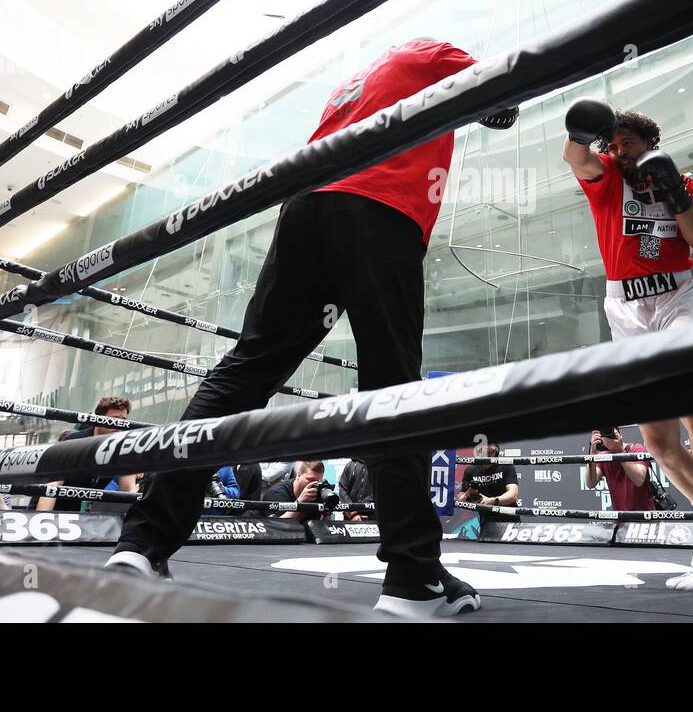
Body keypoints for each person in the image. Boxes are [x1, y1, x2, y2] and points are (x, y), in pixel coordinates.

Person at [106, 39, 516, 617]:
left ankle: (142, 543)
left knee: (246, 371)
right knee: (392, 386)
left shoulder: (355, 81)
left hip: (306, 206)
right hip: (378, 208)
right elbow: (499, 99)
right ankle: (411, 578)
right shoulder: (434, 52)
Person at [563, 100, 693, 592]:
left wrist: (677, 198)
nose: (616, 151)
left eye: (626, 143)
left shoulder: (681, 181)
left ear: (650, 144)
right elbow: (575, 157)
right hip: (624, 309)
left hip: (678, 300)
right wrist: (583, 135)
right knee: (658, 443)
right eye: (611, 143)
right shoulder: (606, 174)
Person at [37, 397, 137, 512]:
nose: (118, 425)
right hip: (54, 510)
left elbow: (128, 490)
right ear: (98, 419)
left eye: (123, 420)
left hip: (85, 516)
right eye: (114, 419)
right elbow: (53, 486)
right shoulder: (75, 442)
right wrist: (43, 518)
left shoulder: (122, 447)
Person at [584, 426, 656, 512]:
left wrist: (620, 451)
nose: (609, 436)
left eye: (612, 433)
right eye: (605, 435)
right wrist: (592, 454)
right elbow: (590, 483)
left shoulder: (637, 449)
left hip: (645, 518)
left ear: (620, 434)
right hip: (620, 519)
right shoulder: (603, 457)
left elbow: (639, 480)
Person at [262, 460, 329, 521]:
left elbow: (321, 528)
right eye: (310, 480)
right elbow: (275, 526)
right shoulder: (277, 493)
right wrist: (300, 502)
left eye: (318, 481)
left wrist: (327, 512)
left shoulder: (317, 492)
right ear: (299, 475)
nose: (314, 484)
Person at [459, 441, 519, 507]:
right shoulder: (471, 470)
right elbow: (461, 498)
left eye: (490, 453)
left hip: (508, 514)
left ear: (495, 453)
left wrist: (492, 501)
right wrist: (468, 493)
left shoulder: (505, 465)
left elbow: (513, 495)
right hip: (485, 515)